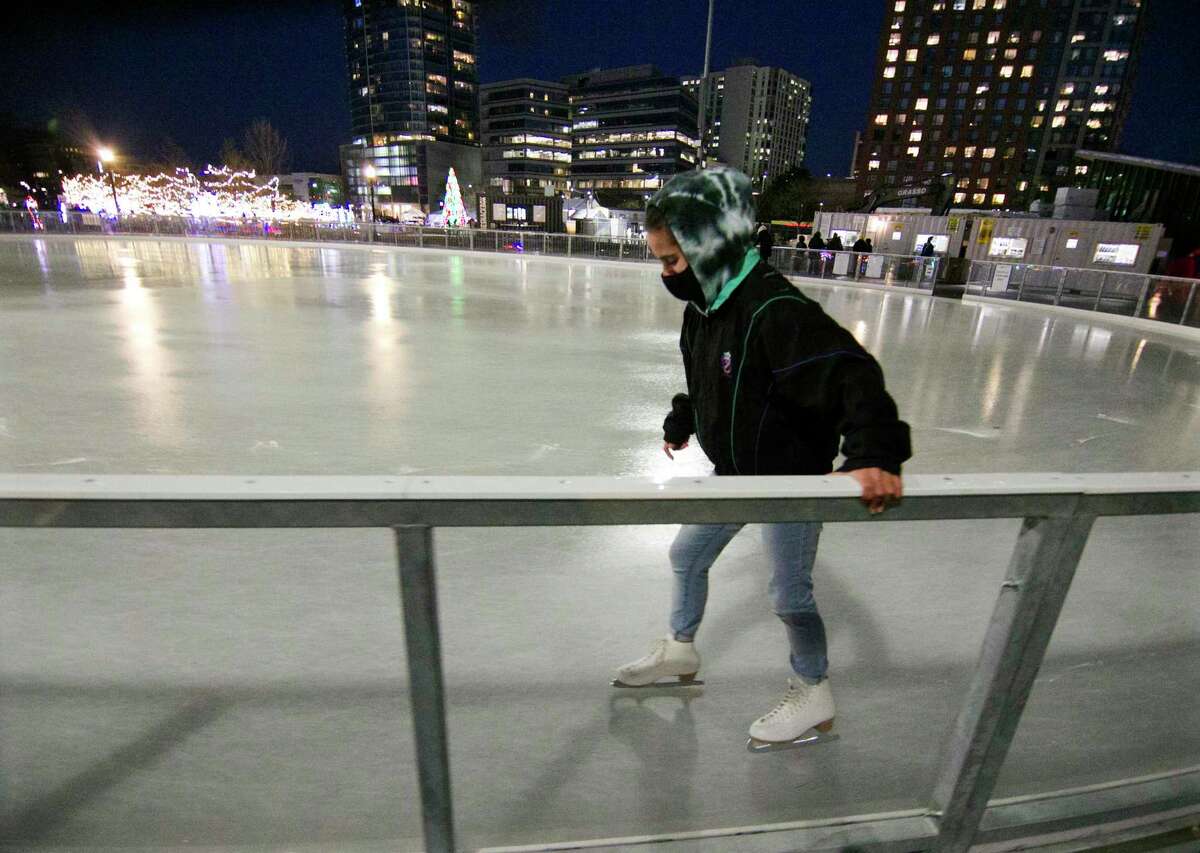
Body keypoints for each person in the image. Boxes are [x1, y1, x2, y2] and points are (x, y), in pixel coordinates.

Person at [613, 166, 911, 749]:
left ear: (709, 248)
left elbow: (851, 374)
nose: (666, 273)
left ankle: (813, 692)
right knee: (687, 553)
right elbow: (706, 384)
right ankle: (680, 651)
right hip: (738, 474)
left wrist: (875, 452)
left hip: (790, 481)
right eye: (661, 260)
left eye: (673, 260)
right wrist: (684, 418)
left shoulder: (775, 309)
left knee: (788, 594)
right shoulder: (705, 307)